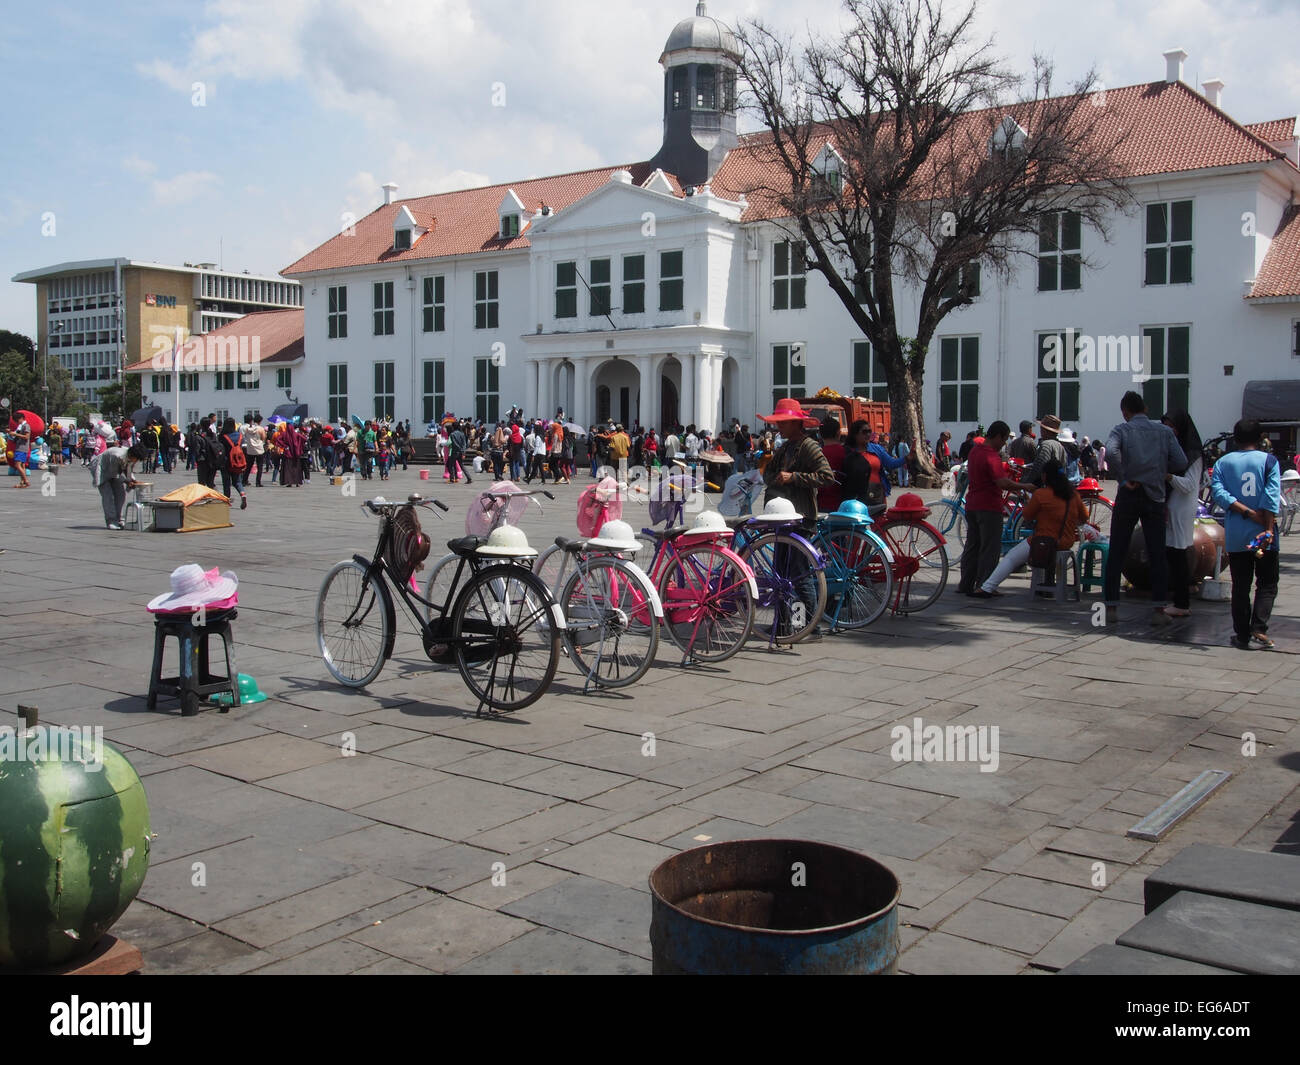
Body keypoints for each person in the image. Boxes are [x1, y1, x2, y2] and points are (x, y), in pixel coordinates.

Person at [1102, 391, 1188, 624]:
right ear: (1146, 409)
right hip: (1155, 496)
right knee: (1157, 553)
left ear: (1125, 412)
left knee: (1118, 549)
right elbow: (1180, 461)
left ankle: (1110, 608)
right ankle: (1158, 610)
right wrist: (1159, 470)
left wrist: (1122, 476)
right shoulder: (1164, 432)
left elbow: (1110, 452)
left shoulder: (1121, 430)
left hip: (1129, 494)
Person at [1212, 419, 1282, 649]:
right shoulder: (1269, 461)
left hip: (1236, 533)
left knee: (1240, 585)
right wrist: (1268, 527)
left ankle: (1241, 634)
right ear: (1259, 437)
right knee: (1267, 583)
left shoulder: (1223, 462)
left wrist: (1245, 511)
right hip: (1264, 534)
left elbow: (1219, 493)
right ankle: (1259, 628)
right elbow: (1271, 496)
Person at [976, 463, 1090, 597]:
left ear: (1045, 476)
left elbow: (1027, 516)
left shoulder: (1041, 494)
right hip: (1066, 542)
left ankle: (987, 587)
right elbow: (1084, 517)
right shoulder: (1074, 495)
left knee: (1011, 557)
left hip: (1043, 541)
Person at [957, 421, 1031, 595]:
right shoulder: (991, 456)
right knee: (990, 548)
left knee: (972, 546)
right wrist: (1025, 487)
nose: (1004, 444)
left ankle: (965, 583)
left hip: (973, 504)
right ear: (998, 436)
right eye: (1004, 440)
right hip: (989, 505)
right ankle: (984, 585)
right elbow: (1002, 482)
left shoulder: (975, 451)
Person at [759, 398, 835, 526]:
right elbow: (768, 474)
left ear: (795, 423)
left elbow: (827, 476)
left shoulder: (809, 446)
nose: (779, 426)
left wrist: (794, 477)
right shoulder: (784, 448)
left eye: (783, 423)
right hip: (781, 516)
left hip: (802, 517)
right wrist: (776, 478)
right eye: (778, 422)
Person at [1161, 410, 1203, 618]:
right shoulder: (1174, 450)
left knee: (1177, 554)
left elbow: (1188, 485)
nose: (1169, 431)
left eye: (1172, 427)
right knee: (1176, 552)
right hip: (1173, 506)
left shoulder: (1193, 454)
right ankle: (1184, 592)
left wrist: (1168, 476)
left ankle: (1181, 602)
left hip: (1181, 507)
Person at [92, 443, 147, 529]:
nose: (136, 461)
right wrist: (127, 481)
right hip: (103, 469)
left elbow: (128, 469)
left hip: (114, 472)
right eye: (137, 459)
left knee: (121, 494)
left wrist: (132, 480)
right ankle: (111, 521)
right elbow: (115, 474)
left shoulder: (129, 456)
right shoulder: (117, 456)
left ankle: (120, 519)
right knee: (108, 496)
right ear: (132, 455)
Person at [841, 419, 888, 506]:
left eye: (869, 431)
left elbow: (891, 463)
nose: (868, 434)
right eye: (864, 432)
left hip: (877, 493)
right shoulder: (846, 452)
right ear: (855, 434)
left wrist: (907, 457)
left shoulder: (876, 449)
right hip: (856, 496)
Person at [817, 416, 847, 513]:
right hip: (843, 504)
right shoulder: (846, 452)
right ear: (838, 433)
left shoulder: (816, 454)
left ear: (820, 435)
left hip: (820, 504)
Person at [219, 417, 249, 509]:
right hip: (237, 462)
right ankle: (242, 494)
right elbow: (244, 448)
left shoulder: (222, 436)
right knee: (237, 481)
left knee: (226, 482)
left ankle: (227, 501)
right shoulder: (239, 436)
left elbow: (220, 450)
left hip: (226, 462)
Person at [10, 413, 31, 488]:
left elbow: (26, 437)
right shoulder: (22, 426)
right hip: (21, 447)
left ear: (22, 418)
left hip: (21, 448)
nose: (16, 422)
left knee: (17, 465)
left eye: (17, 420)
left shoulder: (26, 426)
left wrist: (15, 434)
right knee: (22, 466)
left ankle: (26, 481)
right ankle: (22, 482)